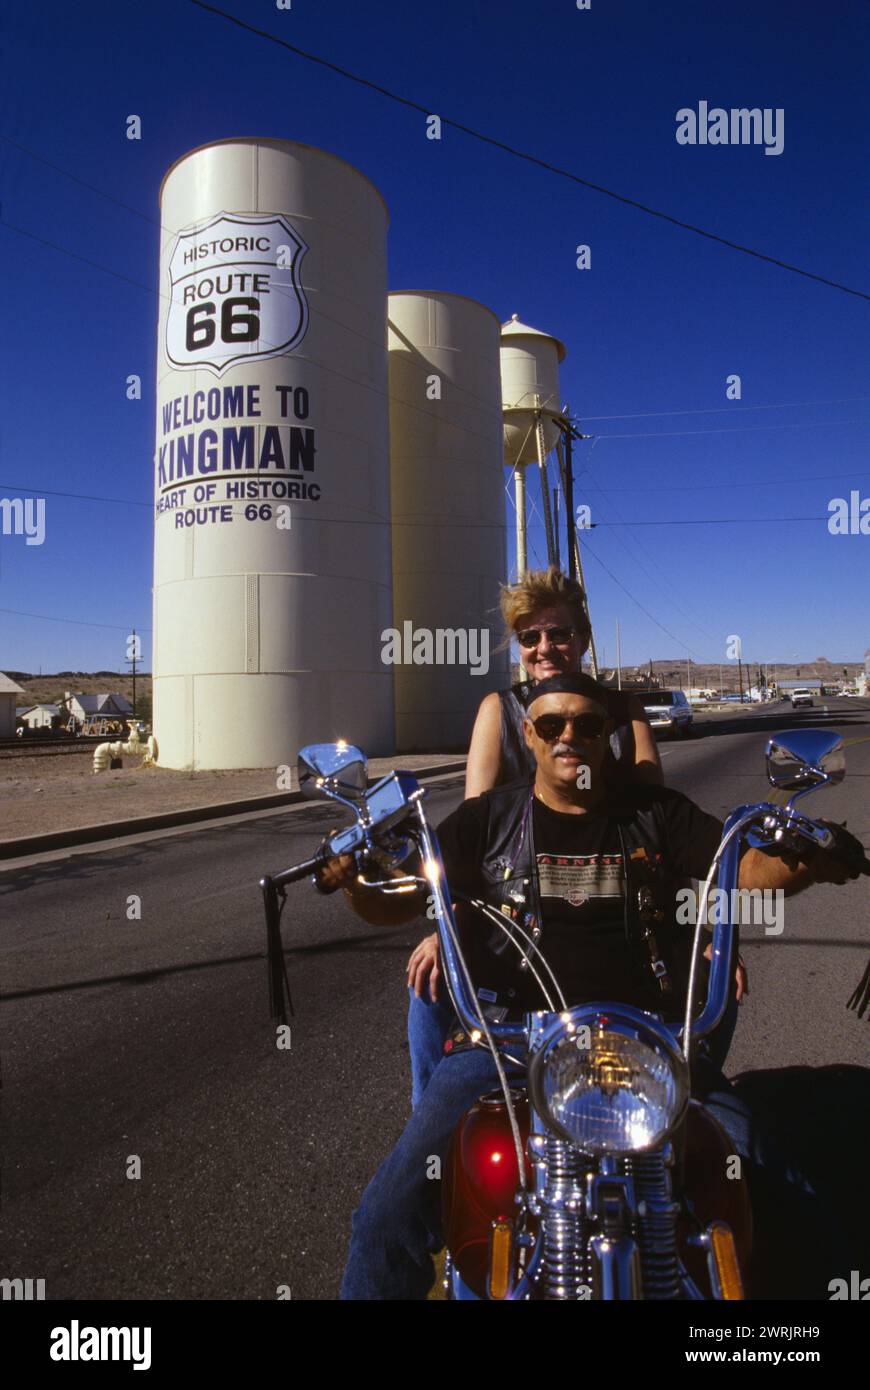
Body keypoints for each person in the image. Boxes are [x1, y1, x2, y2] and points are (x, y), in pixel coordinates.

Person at [316, 674, 863, 1300]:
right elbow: (411, 895)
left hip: (652, 1042)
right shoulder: (487, 819)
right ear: (530, 734)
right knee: (386, 1216)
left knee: (766, 1184)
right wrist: (357, 882)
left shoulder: (656, 815)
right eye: (552, 726)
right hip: (509, 1042)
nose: (568, 737)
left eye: (587, 725)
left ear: (608, 737)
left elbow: (740, 868)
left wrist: (806, 861)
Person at [405, 568, 740, 1101]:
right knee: (430, 979)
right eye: (530, 637)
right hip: (512, 901)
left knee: (718, 979)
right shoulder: (498, 710)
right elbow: (471, 838)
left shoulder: (622, 711)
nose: (545, 648)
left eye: (558, 633)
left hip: (617, 891)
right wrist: (446, 924)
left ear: (582, 639)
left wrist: (700, 930)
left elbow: (661, 830)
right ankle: (434, 1125)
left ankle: (687, 1096)